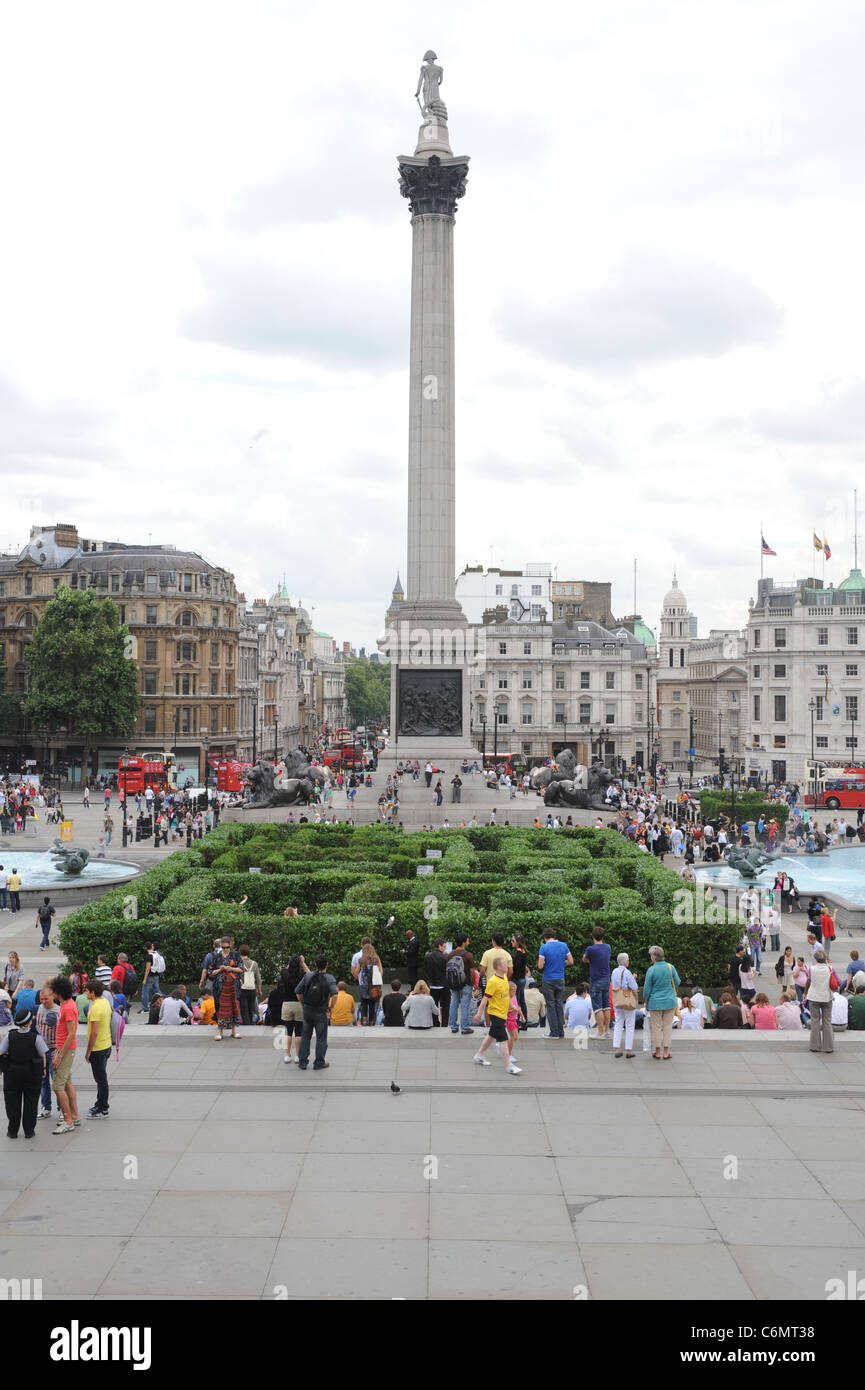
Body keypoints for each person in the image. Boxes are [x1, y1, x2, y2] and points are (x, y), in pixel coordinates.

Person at [1, 1009, 48, 1139]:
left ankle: (12, 1130)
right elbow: (42, 1054)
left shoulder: (10, 1035)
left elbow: (1, 1052)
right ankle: (29, 1131)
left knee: (12, 1101)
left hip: (12, 1072)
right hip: (31, 1071)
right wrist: (43, 1068)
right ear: (28, 1022)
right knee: (31, 1101)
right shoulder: (35, 1037)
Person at [472, 956, 521, 1074]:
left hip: (503, 1013)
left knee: (491, 1036)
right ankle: (509, 1065)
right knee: (504, 1039)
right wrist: (478, 1014)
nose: (507, 965)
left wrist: (512, 1006)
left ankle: (479, 1055)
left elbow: (506, 994)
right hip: (496, 1014)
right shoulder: (493, 982)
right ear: (499, 967)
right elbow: (484, 999)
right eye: (505, 964)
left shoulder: (504, 977)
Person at [295, 953, 338, 1071]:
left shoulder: (308, 976)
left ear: (315, 964)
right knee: (321, 1038)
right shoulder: (329, 978)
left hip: (308, 1010)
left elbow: (298, 991)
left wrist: (303, 1004)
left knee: (305, 1036)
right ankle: (319, 1062)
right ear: (327, 964)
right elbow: (335, 995)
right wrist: (331, 1007)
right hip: (320, 1011)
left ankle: (302, 1062)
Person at [50, 975, 81, 1133]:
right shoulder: (66, 1004)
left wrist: (60, 1055)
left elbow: (71, 1034)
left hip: (66, 1049)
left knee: (57, 1085)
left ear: (58, 992)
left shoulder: (68, 1007)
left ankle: (67, 1120)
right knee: (67, 1082)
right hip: (64, 1048)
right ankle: (74, 1116)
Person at [642, 945, 681, 1060]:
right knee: (668, 1027)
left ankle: (657, 1052)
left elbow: (647, 989)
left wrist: (645, 1000)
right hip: (669, 1001)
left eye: (650, 956)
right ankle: (666, 1052)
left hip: (655, 1002)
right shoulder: (670, 967)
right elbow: (677, 982)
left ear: (654, 957)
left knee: (656, 1027)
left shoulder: (651, 969)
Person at [84, 981, 112, 1118]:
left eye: (87, 991)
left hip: (98, 1048)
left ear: (93, 993)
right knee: (101, 1078)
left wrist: (88, 1051)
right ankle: (99, 1103)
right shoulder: (105, 1002)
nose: (85, 993)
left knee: (101, 1079)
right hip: (106, 1045)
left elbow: (94, 1033)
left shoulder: (95, 1008)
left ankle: (103, 1108)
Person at [581, 926, 611, 1040]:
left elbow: (584, 959)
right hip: (606, 979)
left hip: (596, 980)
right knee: (606, 1006)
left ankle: (600, 1032)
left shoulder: (591, 949)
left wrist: (590, 960)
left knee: (598, 1008)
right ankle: (607, 1030)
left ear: (593, 936)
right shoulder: (608, 947)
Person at [803, 949, 834, 1053]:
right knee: (827, 1021)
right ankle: (828, 1047)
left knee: (815, 1021)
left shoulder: (811, 969)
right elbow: (837, 982)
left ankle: (815, 1046)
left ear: (816, 959)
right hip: (826, 997)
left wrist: (805, 992)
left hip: (814, 997)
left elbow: (808, 981)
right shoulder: (830, 968)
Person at [212, 938, 242, 1040]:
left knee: (234, 1006)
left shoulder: (235, 955)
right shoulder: (216, 957)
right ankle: (220, 1032)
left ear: (230, 946)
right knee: (221, 1008)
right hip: (220, 986)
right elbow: (210, 972)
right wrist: (220, 969)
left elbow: (241, 969)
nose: (225, 949)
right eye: (223, 947)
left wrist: (231, 969)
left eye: (227, 947)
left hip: (233, 985)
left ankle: (234, 1031)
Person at [278, 956, 306, 1062]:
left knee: (288, 1031)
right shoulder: (302, 975)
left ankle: (287, 1055)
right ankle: (298, 1055)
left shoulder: (284, 973)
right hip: (299, 1004)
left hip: (287, 1004)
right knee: (299, 1032)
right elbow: (310, 974)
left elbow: (285, 969)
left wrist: (290, 962)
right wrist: (303, 963)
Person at [610, 953, 640, 1056]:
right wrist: (634, 978)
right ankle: (628, 1050)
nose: (629, 961)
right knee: (630, 1025)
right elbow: (634, 986)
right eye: (628, 959)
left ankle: (617, 1049)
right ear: (624, 961)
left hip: (617, 1001)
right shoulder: (627, 972)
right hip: (627, 1000)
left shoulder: (614, 971)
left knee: (618, 1024)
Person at [447, 932, 475, 1035]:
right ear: (463, 942)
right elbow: (472, 971)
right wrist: (473, 984)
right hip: (465, 984)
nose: (468, 941)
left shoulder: (450, 954)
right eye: (467, 940)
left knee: (453, 1004)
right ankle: (464, 1027)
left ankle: (453, 1026)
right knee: (465, 1006)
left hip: (453, 984)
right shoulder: (468, 955)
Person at [353, 939, 383, 1027]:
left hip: (363, 985)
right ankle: (371, 1021)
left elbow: (355, 972)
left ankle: (364, 1020)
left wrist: (360, 977)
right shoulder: (376, 959)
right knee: (373, 1003)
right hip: (374, 985)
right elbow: (381, 972)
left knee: (364, 1002)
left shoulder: (360, 960)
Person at [422, 938, 450, 1028]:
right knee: (445, 1006)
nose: (445, 949)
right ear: (439, 946)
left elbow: (425, 970)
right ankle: (445, 1024)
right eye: (444, 946)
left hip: (432, 985)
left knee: (433, 1005)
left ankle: (435, 1023)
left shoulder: (427, 957)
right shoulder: (444, 957)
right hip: (444, 985)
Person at [237, 945, 262, 1026]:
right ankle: (251, 1025)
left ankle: (246, 1027)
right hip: (252, 989)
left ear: (240, 952)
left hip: (242, 988)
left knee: (244, 1010)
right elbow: (258, 978)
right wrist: (259, 990)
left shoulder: (238, 963)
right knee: (251, 1009)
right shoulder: (255, 964)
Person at [140, 942, 165, 1015]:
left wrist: (144, 979)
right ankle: (165, 1001)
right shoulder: (157, 954)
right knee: (157, 990)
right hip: (156, 975)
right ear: (151, 946)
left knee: (145, 992)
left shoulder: (149, 956)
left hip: (150, 976)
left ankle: (145, 1009)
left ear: (145, 948)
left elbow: (148, 968)